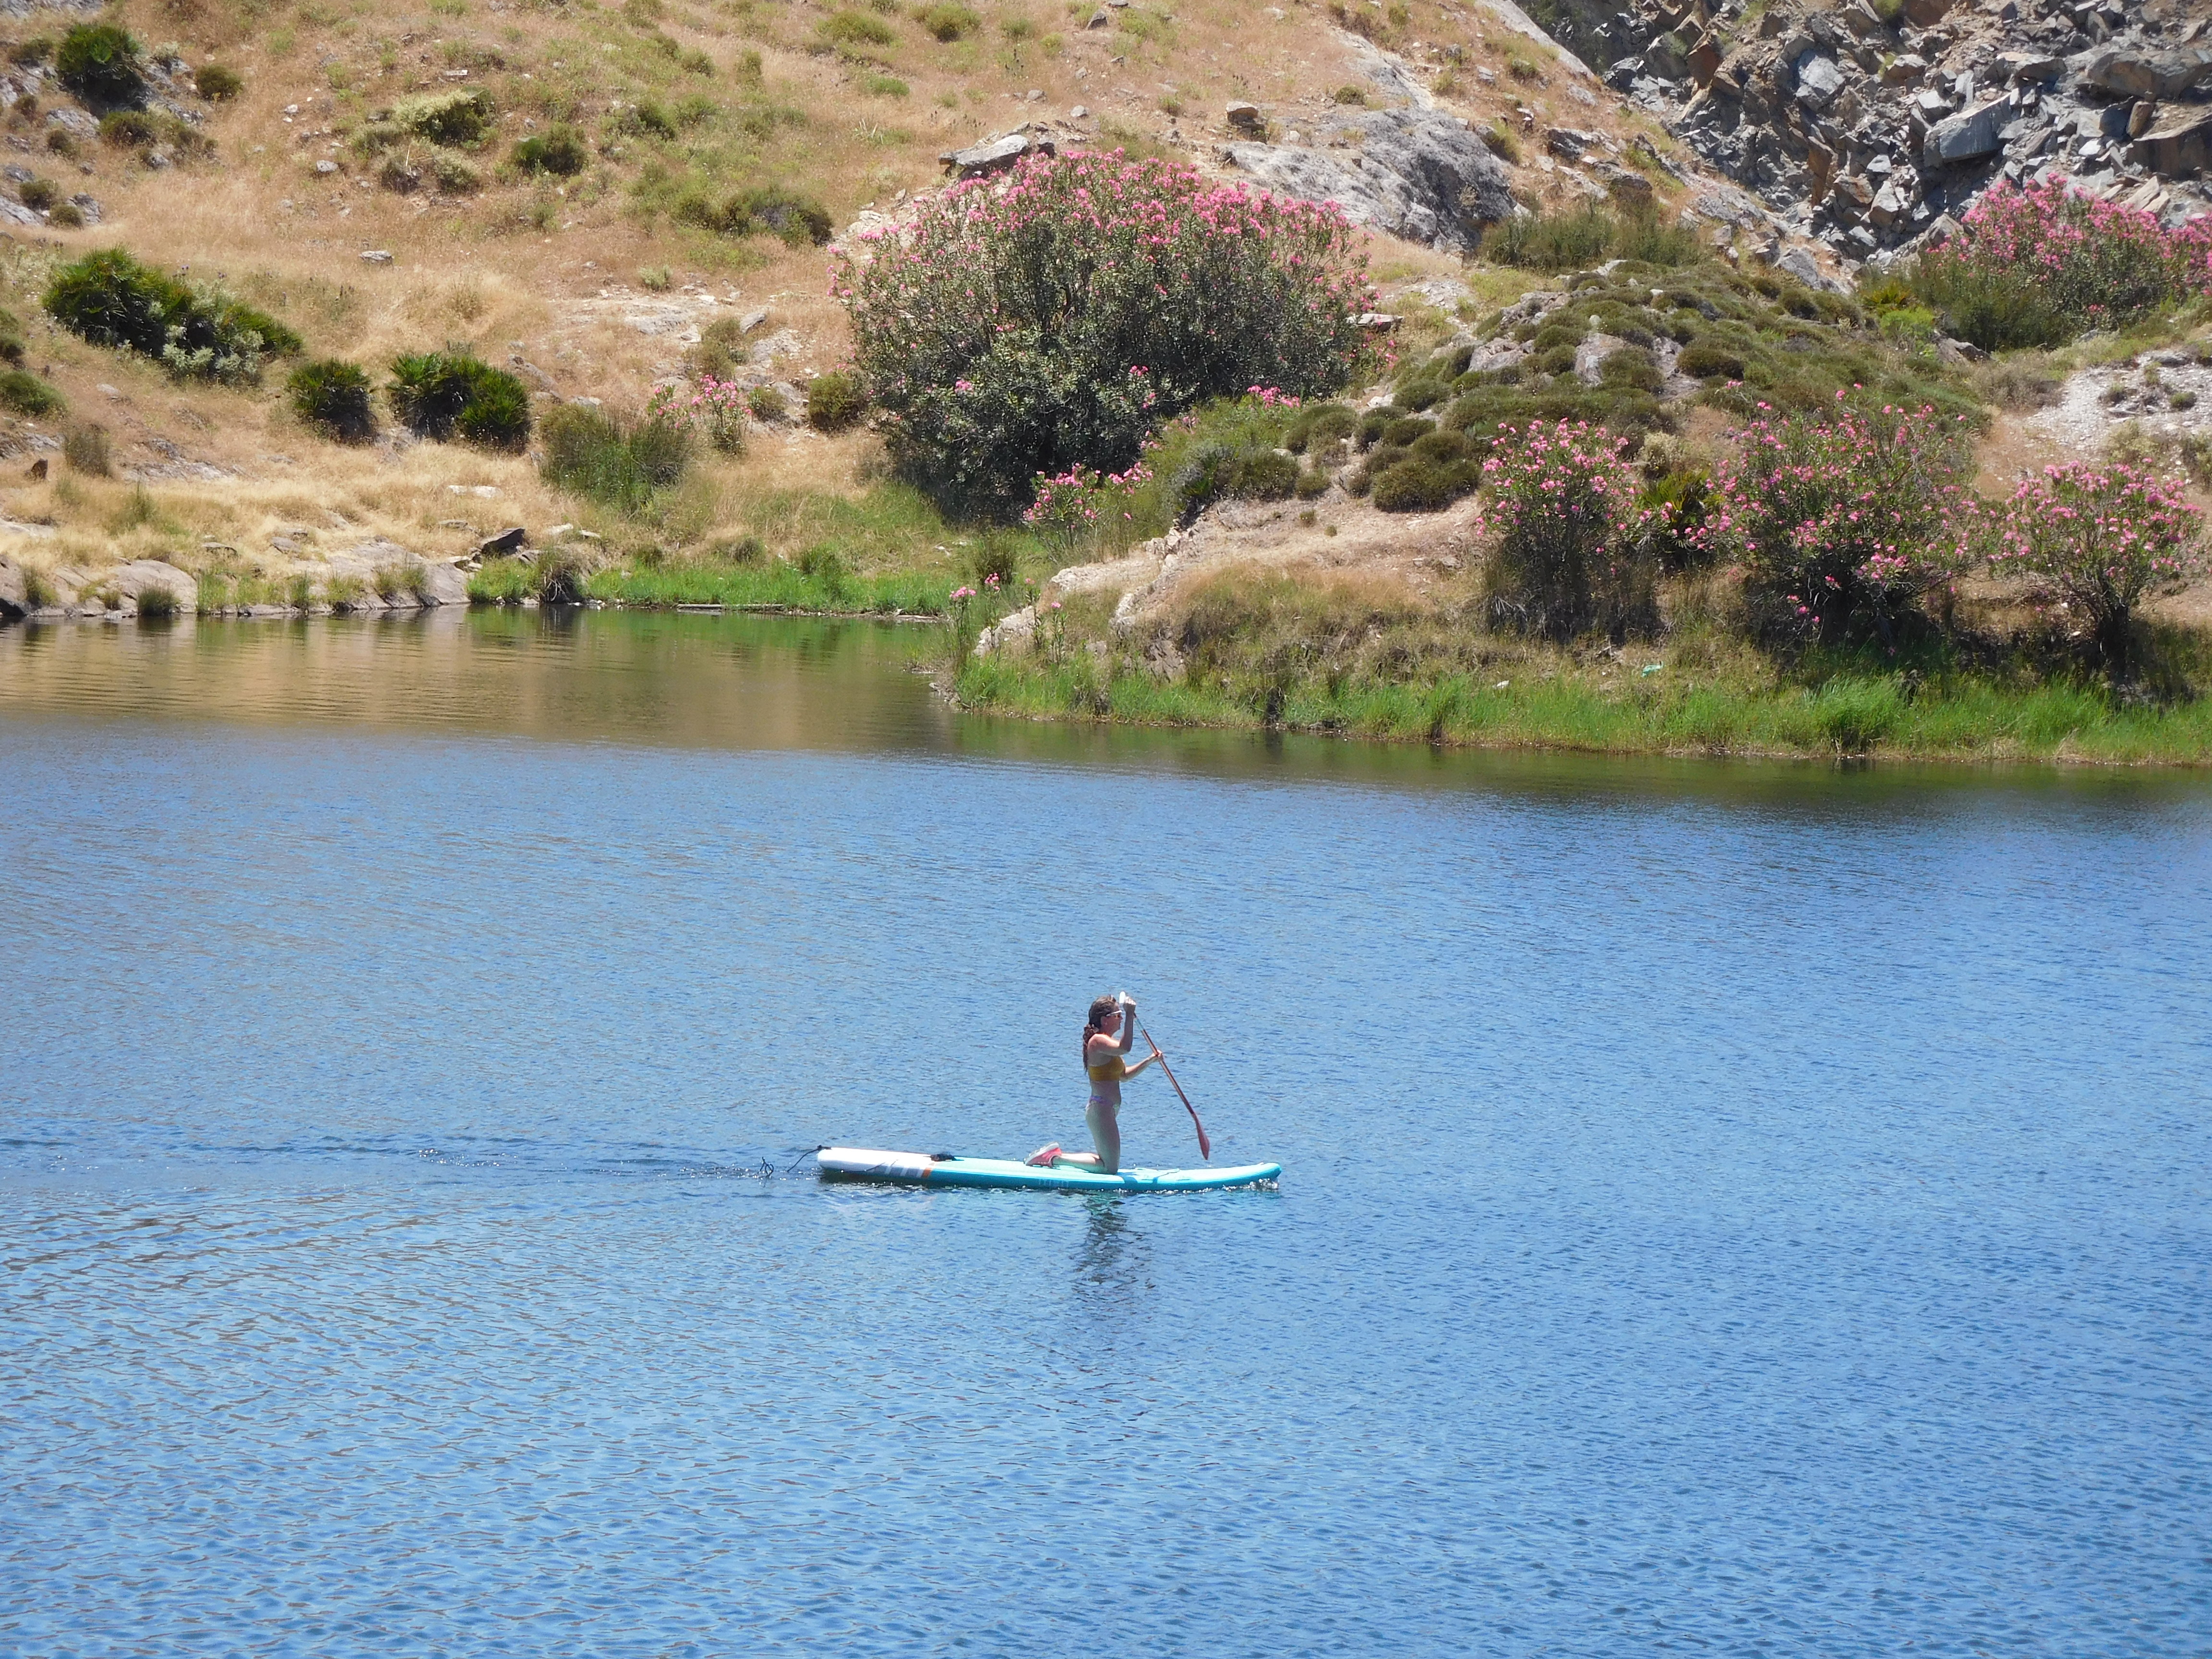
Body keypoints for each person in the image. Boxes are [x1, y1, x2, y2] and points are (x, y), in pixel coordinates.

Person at [1028, 992, 1161, 1173]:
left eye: (1122, 1015)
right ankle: (1054, 1159)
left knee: (1107, 1163)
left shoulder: (1108, 1045)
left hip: (1108, 1110)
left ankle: (1055, 1156)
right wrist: (1130, 1014)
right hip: (1101, 1109)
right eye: (1118, 1015)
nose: (1121, 1018)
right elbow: (1125, 1047)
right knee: (1110, 1167)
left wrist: (1150, 1060)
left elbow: (1124, 1076)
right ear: (1105, 1020)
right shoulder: (1097, 1042)